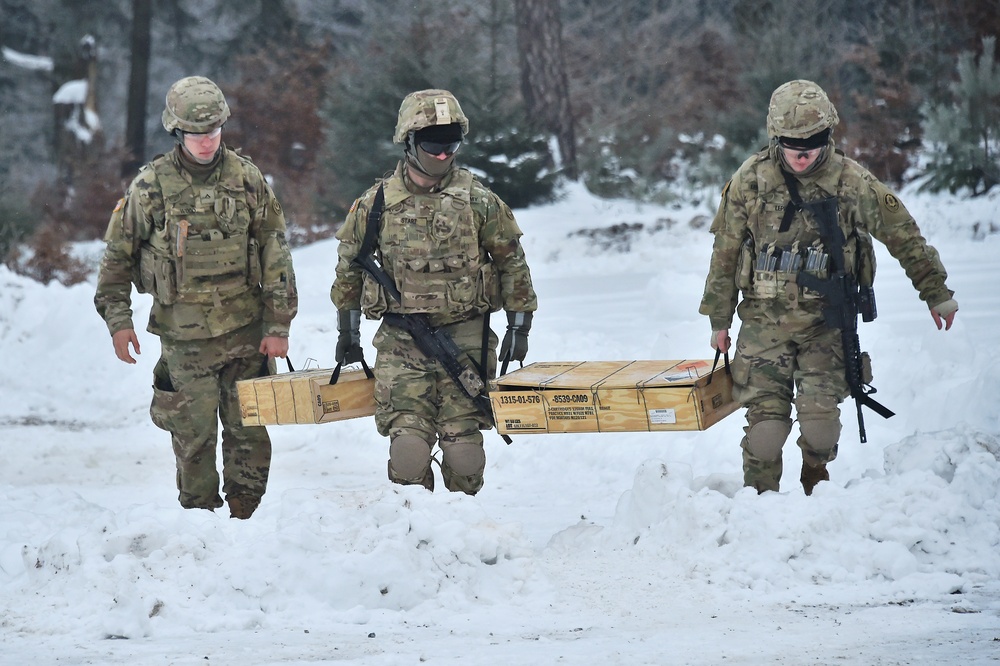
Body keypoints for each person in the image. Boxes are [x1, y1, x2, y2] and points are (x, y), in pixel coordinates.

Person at [699, 79, 958, 495]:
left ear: (827, 139)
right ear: (775, 139)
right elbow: (725, 252)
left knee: (820, 426)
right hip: (765, 323)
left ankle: (815, 492)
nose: (801, 159)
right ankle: (759, 507)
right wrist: (718, 318)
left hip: (826, 326)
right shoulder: (751, 179)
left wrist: (936, 292)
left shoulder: (851, 182)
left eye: (811, 149)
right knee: (765, 433)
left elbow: (903, 236)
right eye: (792, 149)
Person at [95, 76, 298, 518]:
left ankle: (248, 516)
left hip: (246, 333)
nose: (206, 142)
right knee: (193, 435)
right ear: (177, 131)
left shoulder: (247, 178)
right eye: (195, 133)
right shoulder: (150, 187)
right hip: (185, 340)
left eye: (213, 132)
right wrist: (119, 321)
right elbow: (116, 259)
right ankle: (199, 521)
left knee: (249, 430)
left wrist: (278, 325)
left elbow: (274, 249)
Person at [331, 89, 537, 495]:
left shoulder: (479, 201)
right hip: (401, 340)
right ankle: (412, 531)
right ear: (409, 143)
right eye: (433, 145)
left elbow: (512, 263)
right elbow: (349, 269)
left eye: (451, 145)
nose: (443, 155)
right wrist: (347, 332)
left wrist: (520, 327)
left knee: (465, 459)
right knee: (408, 451)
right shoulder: (376, 204)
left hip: (465, 340)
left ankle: (458, 533)